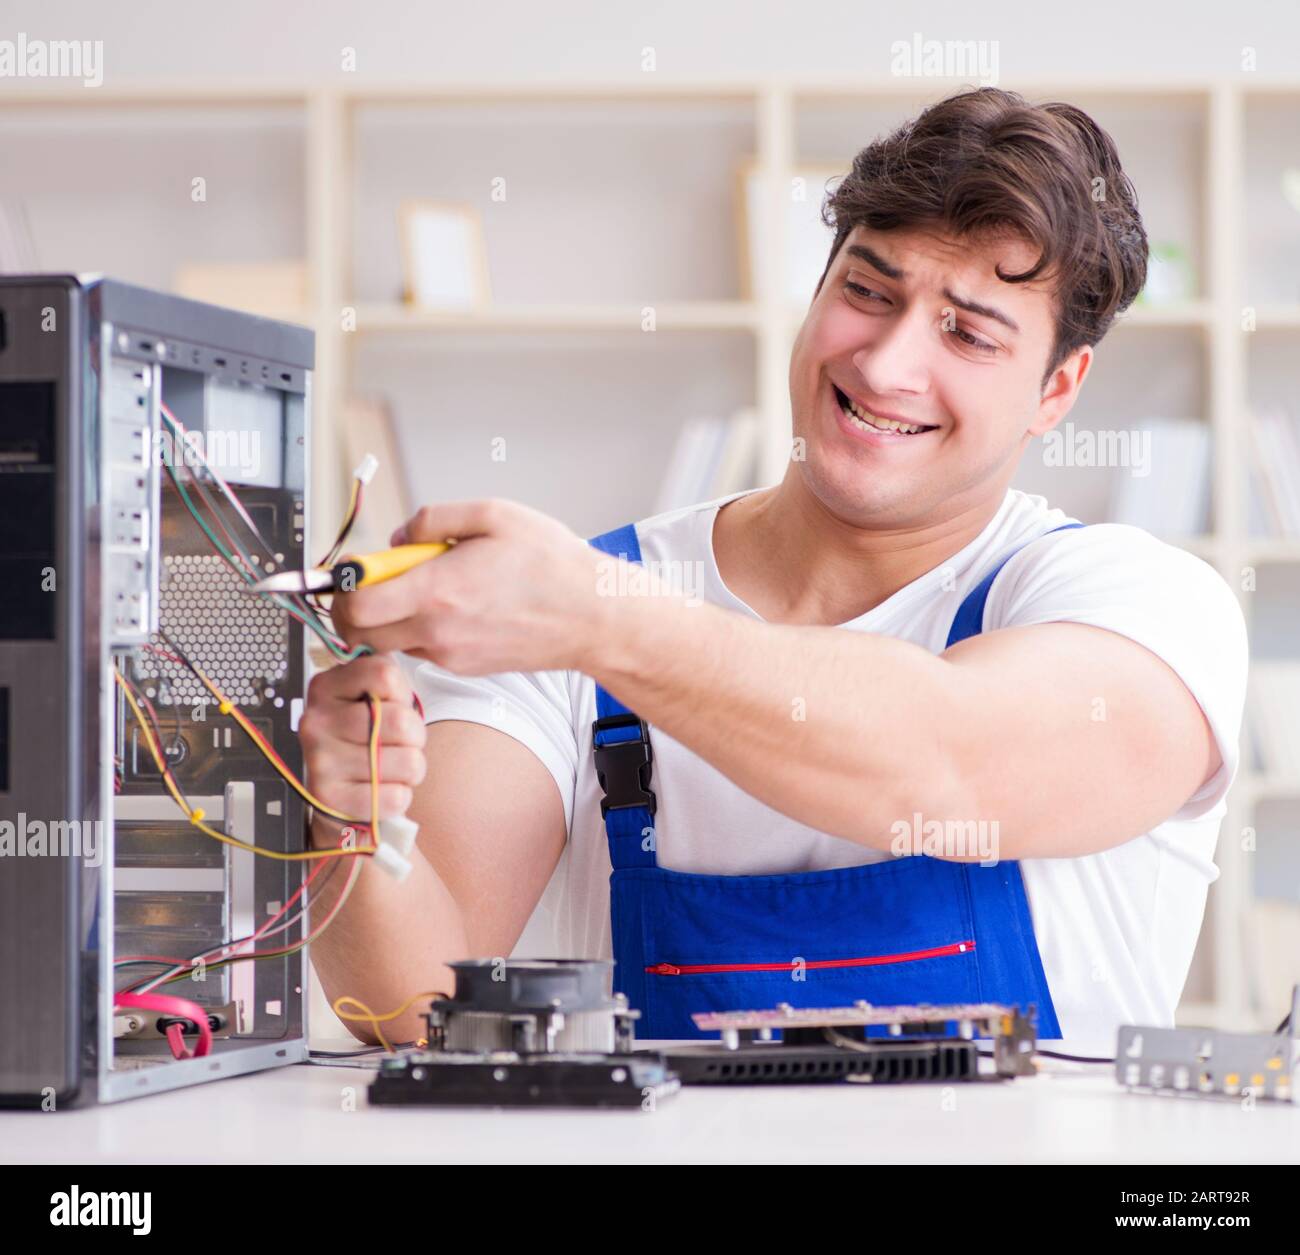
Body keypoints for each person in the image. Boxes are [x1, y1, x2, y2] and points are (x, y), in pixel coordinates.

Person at [300, 87, 1247, 1053]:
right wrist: (349, 819)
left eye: (966, 332)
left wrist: (603, 622)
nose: (884, 365)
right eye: (868, 292)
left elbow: (944, 764)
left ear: (1057, 389)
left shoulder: (1142, 606)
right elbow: (416, 1005)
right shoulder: (569, 611)